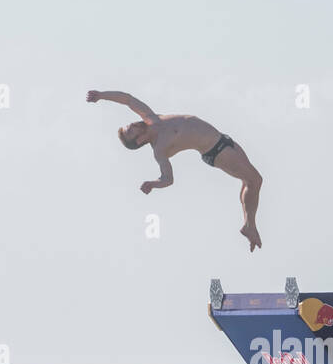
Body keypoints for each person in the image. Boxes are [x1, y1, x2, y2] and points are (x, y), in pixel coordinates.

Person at [87, 90, 263, 252]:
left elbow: (127, 99)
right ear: (139, 140)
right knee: (254, 181)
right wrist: (153, 184)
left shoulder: (151, 117)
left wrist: (102, 95)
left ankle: (249, 225)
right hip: (215, 151)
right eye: (130, 130)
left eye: (129, 125)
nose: (132, 124)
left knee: (250, 182)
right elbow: (168, 178)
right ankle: (249, 226)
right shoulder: (159, 149)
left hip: (222, 139)